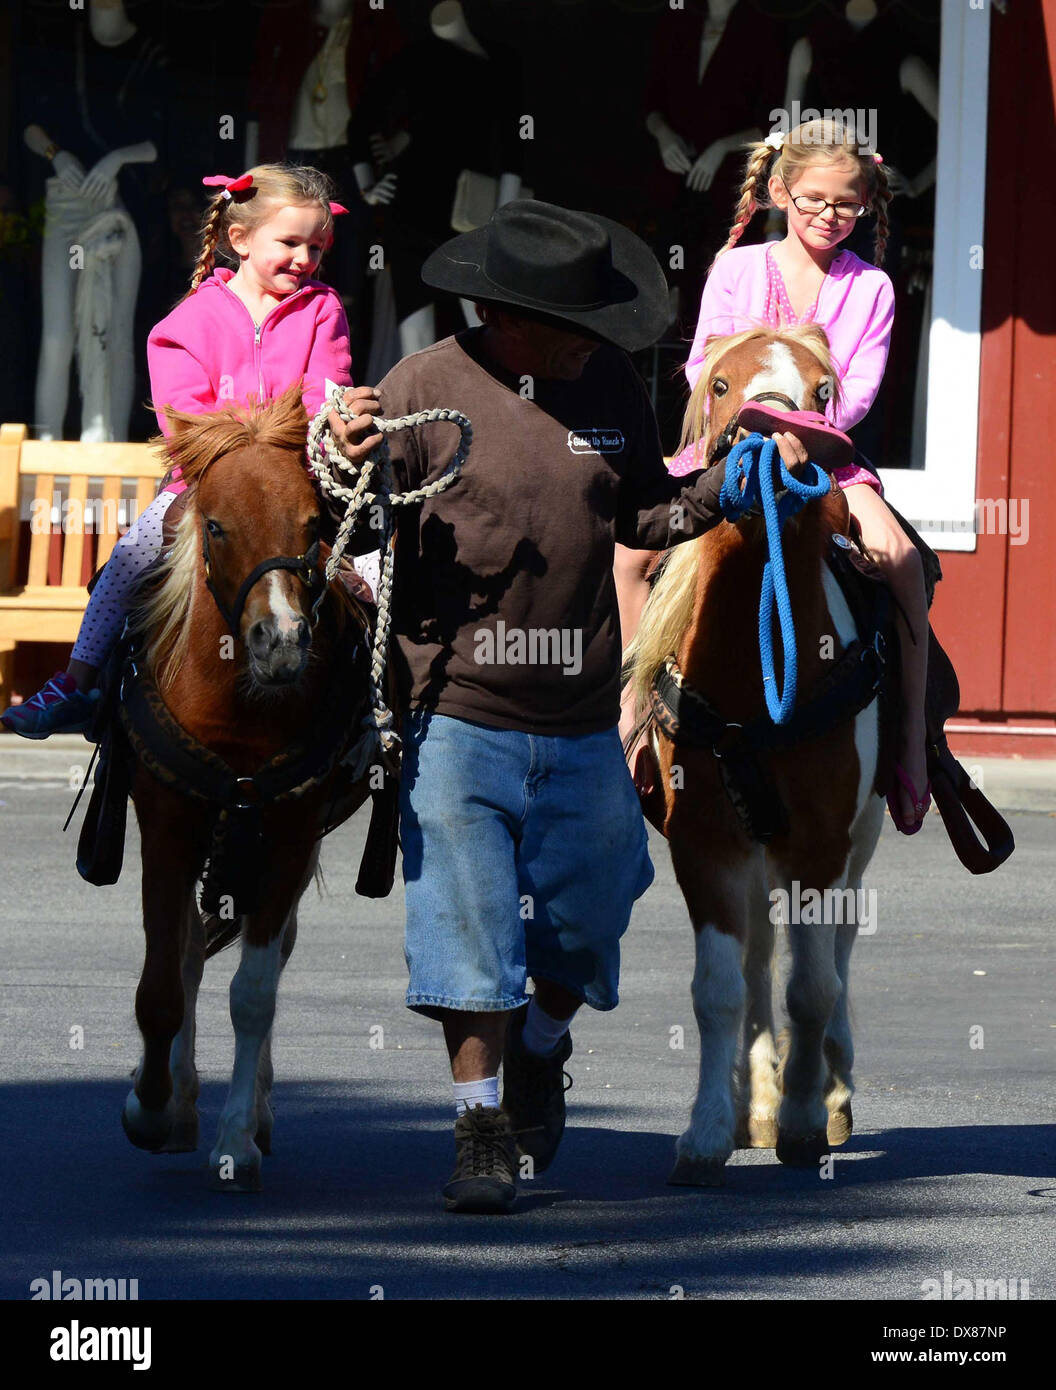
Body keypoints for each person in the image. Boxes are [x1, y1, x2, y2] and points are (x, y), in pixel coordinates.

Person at [326, 199, 818, 1214]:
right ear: (503, 314)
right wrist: (339, 459)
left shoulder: (607, 384)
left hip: (584, 713)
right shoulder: (422, 390)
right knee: (469, 928)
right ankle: (480, 1126)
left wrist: (730, 481)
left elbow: (643, 508)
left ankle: (544, 1044)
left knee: (591, 916)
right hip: (458, 708)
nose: (597, 339)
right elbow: (355, 517)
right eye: (574, 321)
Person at [614, 118, 932, 834]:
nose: (829, 215)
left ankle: (914, 738)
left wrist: (794, 423)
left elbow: (854, 393)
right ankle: (632, 717)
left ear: (866, 203)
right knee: (631, 547)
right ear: (781, 192)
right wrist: (746, 418)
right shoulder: (736, 269)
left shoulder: (870, 287)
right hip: (724, 449)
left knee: (902, 559)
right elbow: (703, 366)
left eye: (847, 204)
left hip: (826, 455)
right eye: (816, 199)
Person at [2, 163, 356, 738]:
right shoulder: (188, 322)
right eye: (290, 243)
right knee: (129, 560)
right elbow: (183, 420)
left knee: (367, 566)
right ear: (239, 239)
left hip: (298, 480)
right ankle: (78, 680)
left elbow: (325, 389)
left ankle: (380, 695)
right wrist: (250, 445)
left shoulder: (322, 309)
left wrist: (324, 429)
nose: (304, 260)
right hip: (204, 483)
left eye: (316, 248)